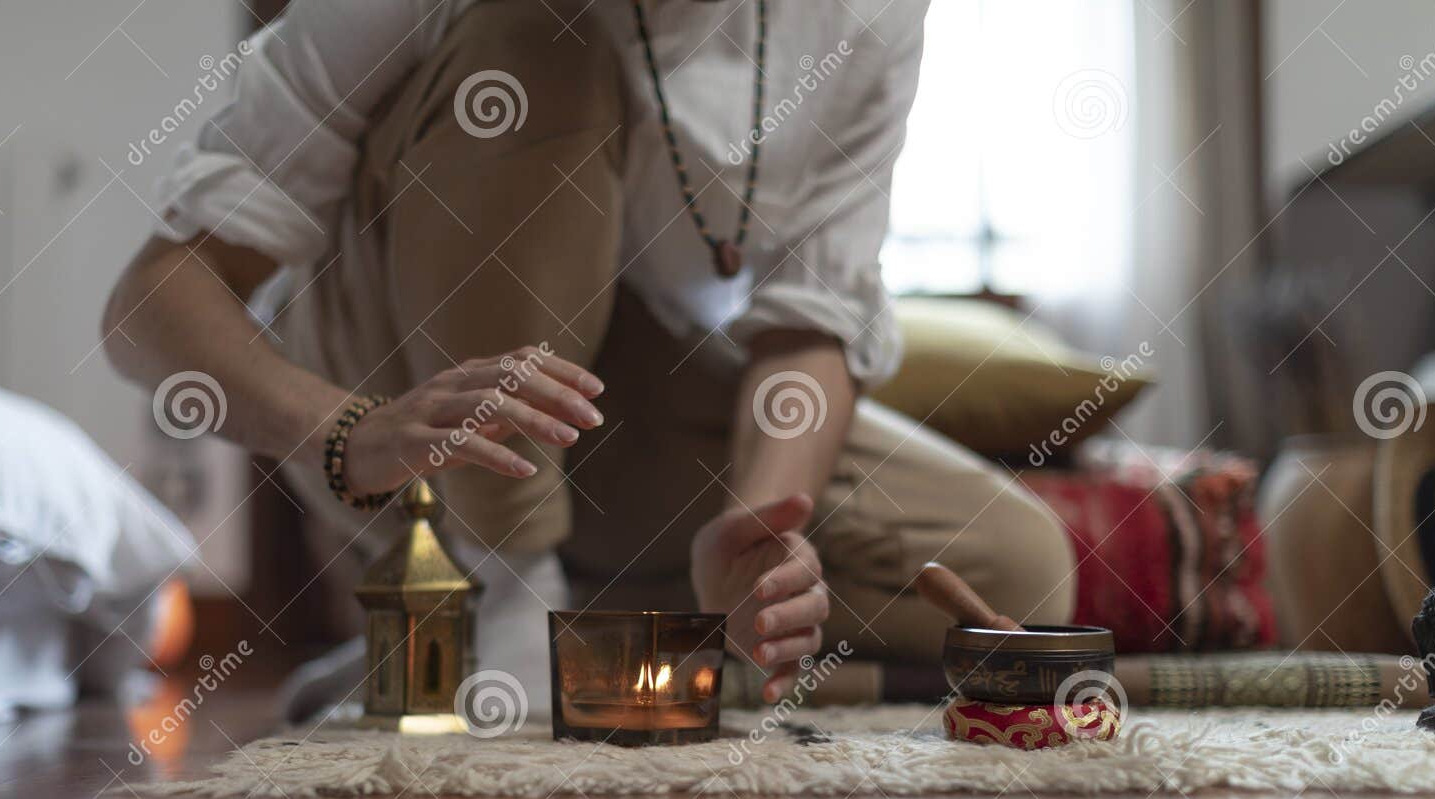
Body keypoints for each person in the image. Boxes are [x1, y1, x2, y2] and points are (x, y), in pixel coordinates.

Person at [103, 0, 1074, 716]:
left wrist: (753, 536)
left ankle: (450, 647)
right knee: (533, 47)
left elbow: (811, 317)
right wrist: (347, 431)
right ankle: (502, 598)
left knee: (1015, 570)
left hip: (622, 396)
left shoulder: (866, 17)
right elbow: (151, 303)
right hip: (401, 403)